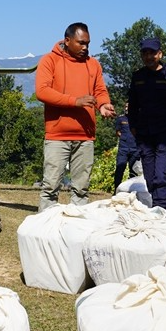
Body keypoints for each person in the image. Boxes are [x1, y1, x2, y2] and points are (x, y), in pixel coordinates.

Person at [34, 22, 115, 211]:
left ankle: (77, 225)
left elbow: (100, 90)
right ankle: (45, 226)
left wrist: (103, 104)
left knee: (81, 190)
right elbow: (42, 91)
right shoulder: (49, 60)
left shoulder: (93, 64)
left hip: (85, 137)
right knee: (50, 188)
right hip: (57, 136)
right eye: (81, 43)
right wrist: (75, 101)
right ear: (67, 40)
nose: (85, 47)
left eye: (88, 43)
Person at [127, 37, 166, 210]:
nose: (148, 57)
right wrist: (133, 126)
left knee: (161, 175)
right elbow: (132, 105)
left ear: (160, 54)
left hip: (165, 133)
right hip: (145, 134)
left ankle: (160, 209)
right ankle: (157, 207)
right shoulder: (138, 76)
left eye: (152, 53)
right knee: (149, 177)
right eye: (145, 53)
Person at [113, 102, 140, 191]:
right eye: (125, 106)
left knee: (133, 171)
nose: (126, 108)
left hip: (135, 149)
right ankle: (116, 189)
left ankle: (133, 190)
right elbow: (118, 132)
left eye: (128, 106)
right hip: (123, 148)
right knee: (120, 168)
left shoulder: (138, 119)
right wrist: (124, 138)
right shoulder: (120, 119)